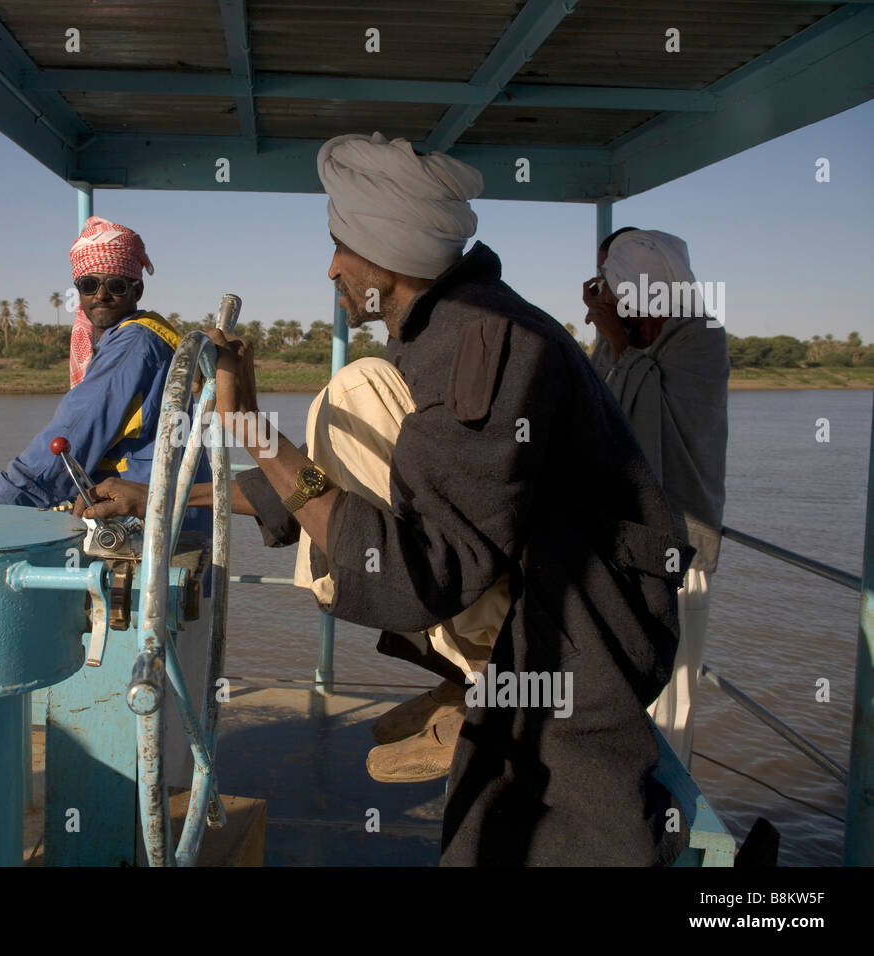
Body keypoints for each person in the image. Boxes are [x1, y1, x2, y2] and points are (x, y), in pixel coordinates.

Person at [84, 131, 692, 865]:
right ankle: (476, 671)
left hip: (586, 635)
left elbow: (415, 575)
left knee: (529, 833)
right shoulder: (446, 332)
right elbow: (312, 490)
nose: (332, 267)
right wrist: (157, 495)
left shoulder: (483, 348)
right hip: (535, 592)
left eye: (343, 247)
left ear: (389, 256)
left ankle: (483, 668)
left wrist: (250, 426)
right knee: (352, 404)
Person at [584, 227, 729, 766]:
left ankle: (667, 809)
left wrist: (619, 342)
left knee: (672, 684)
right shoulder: (624, 337)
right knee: (616, 669)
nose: (607, 295)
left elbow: (636, 418)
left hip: (682, 539)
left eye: (614, 282)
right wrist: (613, 338)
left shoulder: (699, 336)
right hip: (620, 538)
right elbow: (596, 406)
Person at [0, 216, 210, 516]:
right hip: (172, 513)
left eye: (115, 285)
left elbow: (73, 433)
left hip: (150, 525)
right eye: (89, 285)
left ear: (136, 291)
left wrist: (0, 504)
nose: (100, 295)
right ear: (79, 290)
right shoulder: (143, 334)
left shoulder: (133, 345)